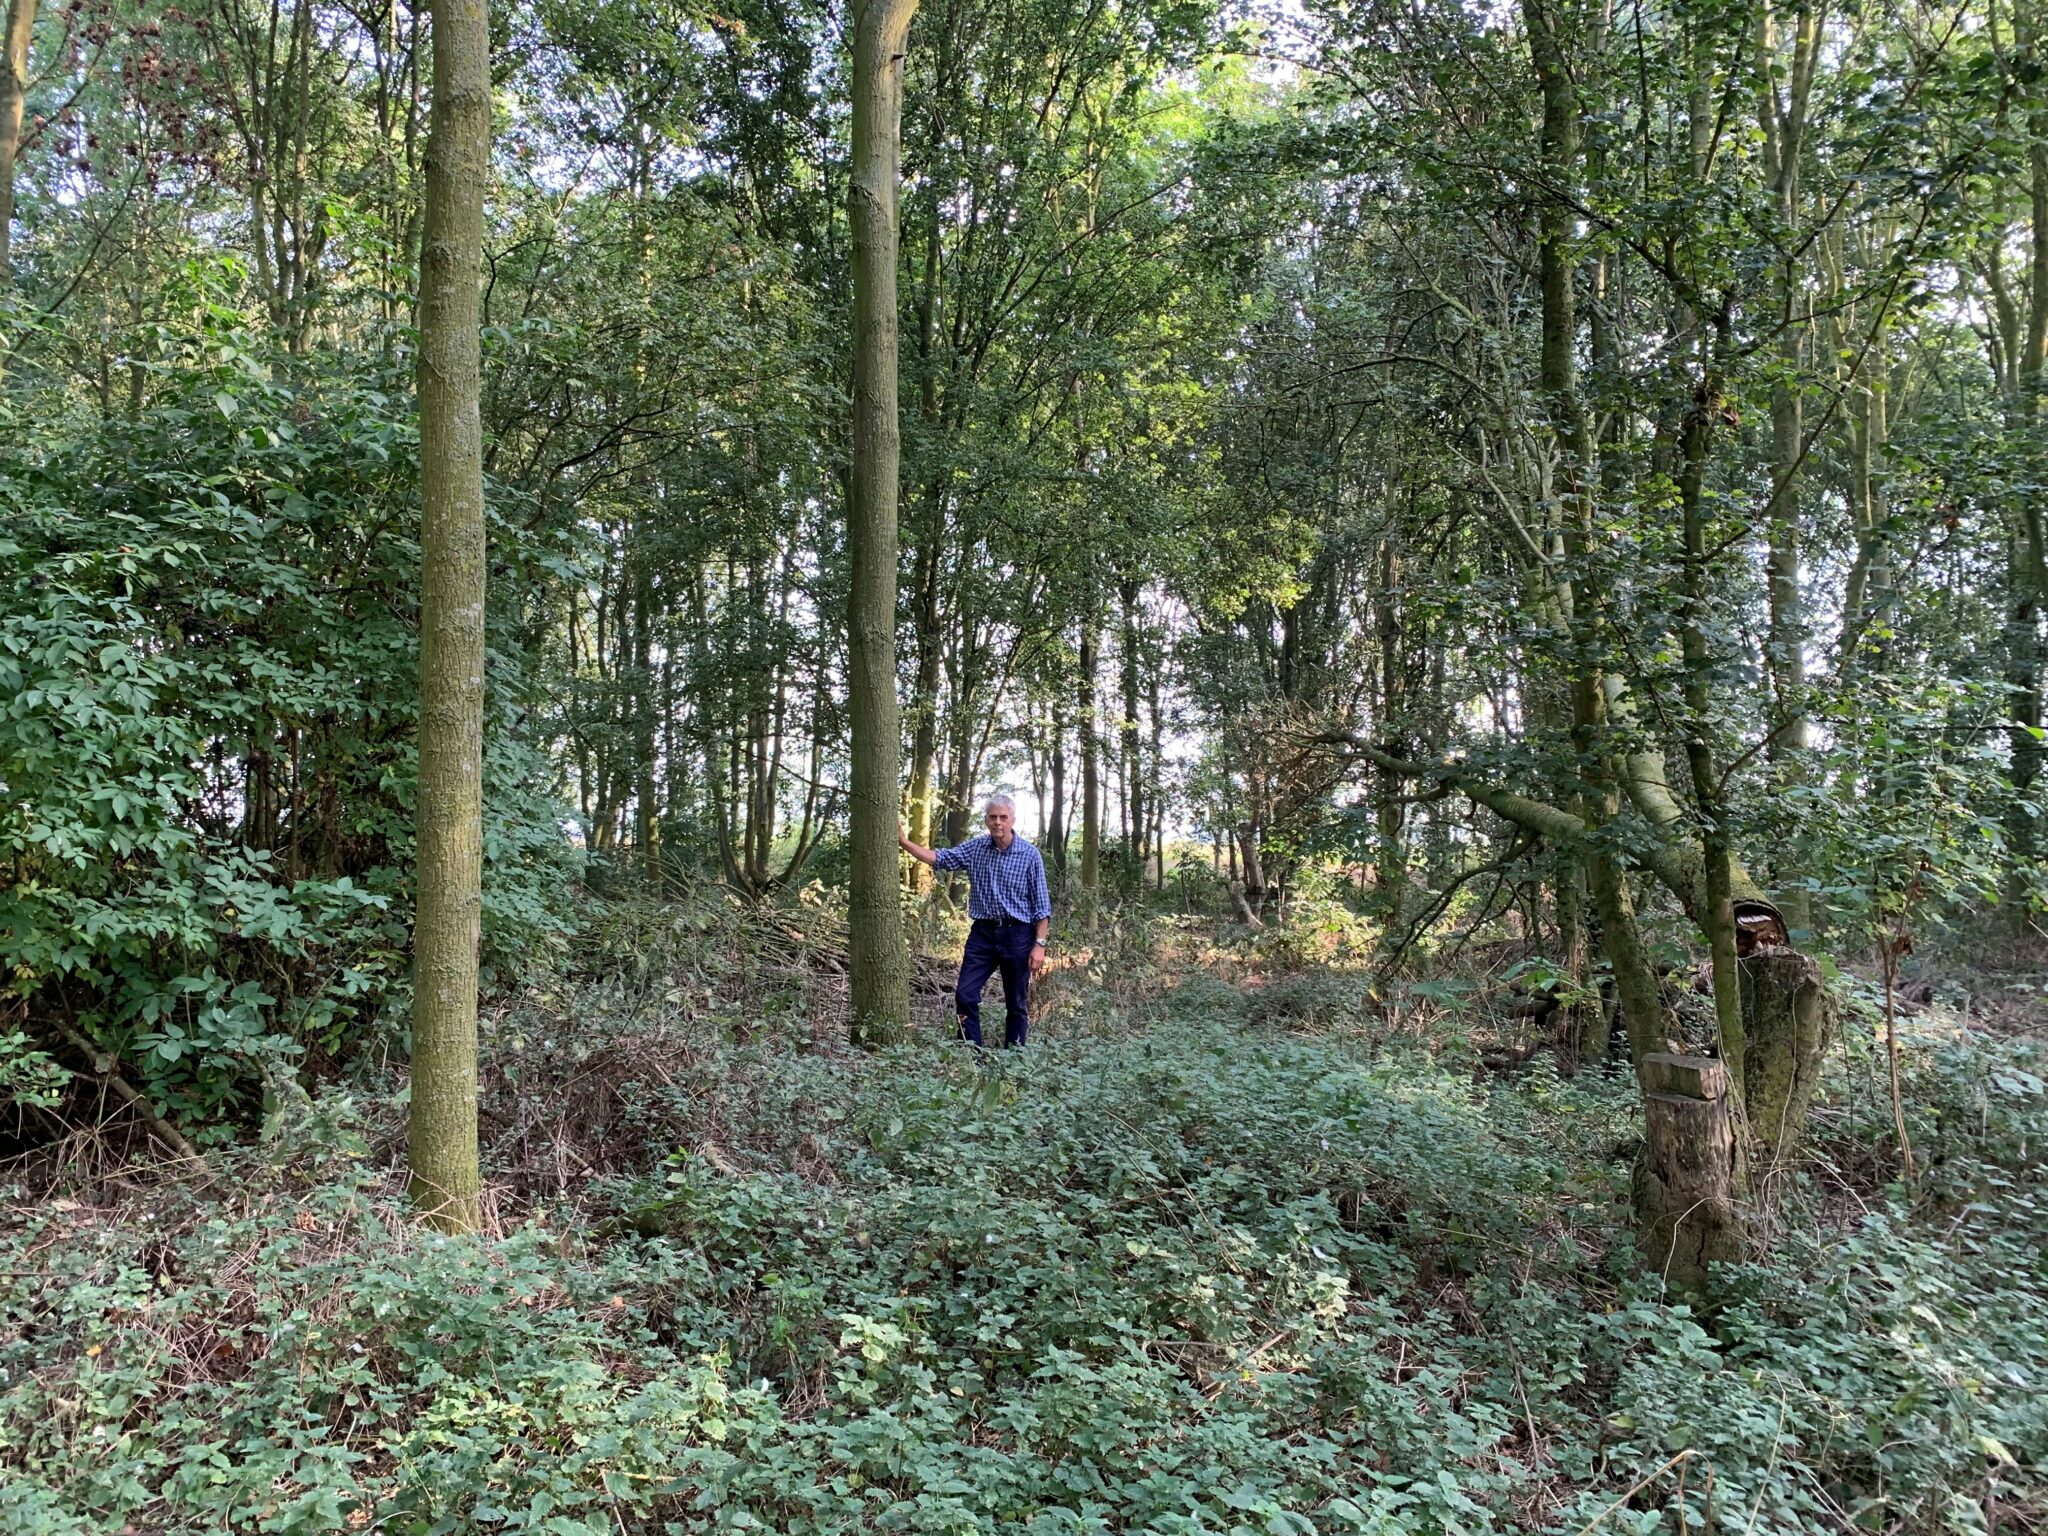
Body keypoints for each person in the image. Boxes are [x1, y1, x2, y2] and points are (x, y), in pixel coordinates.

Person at [898, 795, 1052, 1047]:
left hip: (1018, 935)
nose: (998, 822)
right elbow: (941, 858)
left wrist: (1040, 944)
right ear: (986, 821)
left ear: (1013, 820)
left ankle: (1013, 1059)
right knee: (965, 993)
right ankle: (971, 1053)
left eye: (1003, 817)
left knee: (1016, 1002)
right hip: (983, 934)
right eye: (993, 817)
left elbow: (1042, 906)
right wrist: (904, 843)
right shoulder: (975, 849)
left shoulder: (1029, 855)